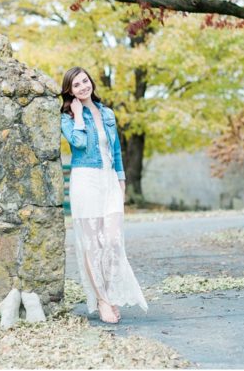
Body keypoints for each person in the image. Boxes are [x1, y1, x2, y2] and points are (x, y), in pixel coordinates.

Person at [60, 66, 148, 324]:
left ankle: (107, 293)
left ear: (91, 83)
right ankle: (102, 300)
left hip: (109, 180)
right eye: (76, 85)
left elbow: (116, 150)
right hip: (85, 181)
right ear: (70, 91)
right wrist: (77, 116)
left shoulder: (107, 113)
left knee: (111, 240)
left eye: (85, 81)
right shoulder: (66, 117)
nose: (83, 87)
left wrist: (121, 180)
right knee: (92, 245)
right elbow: (79, 143)